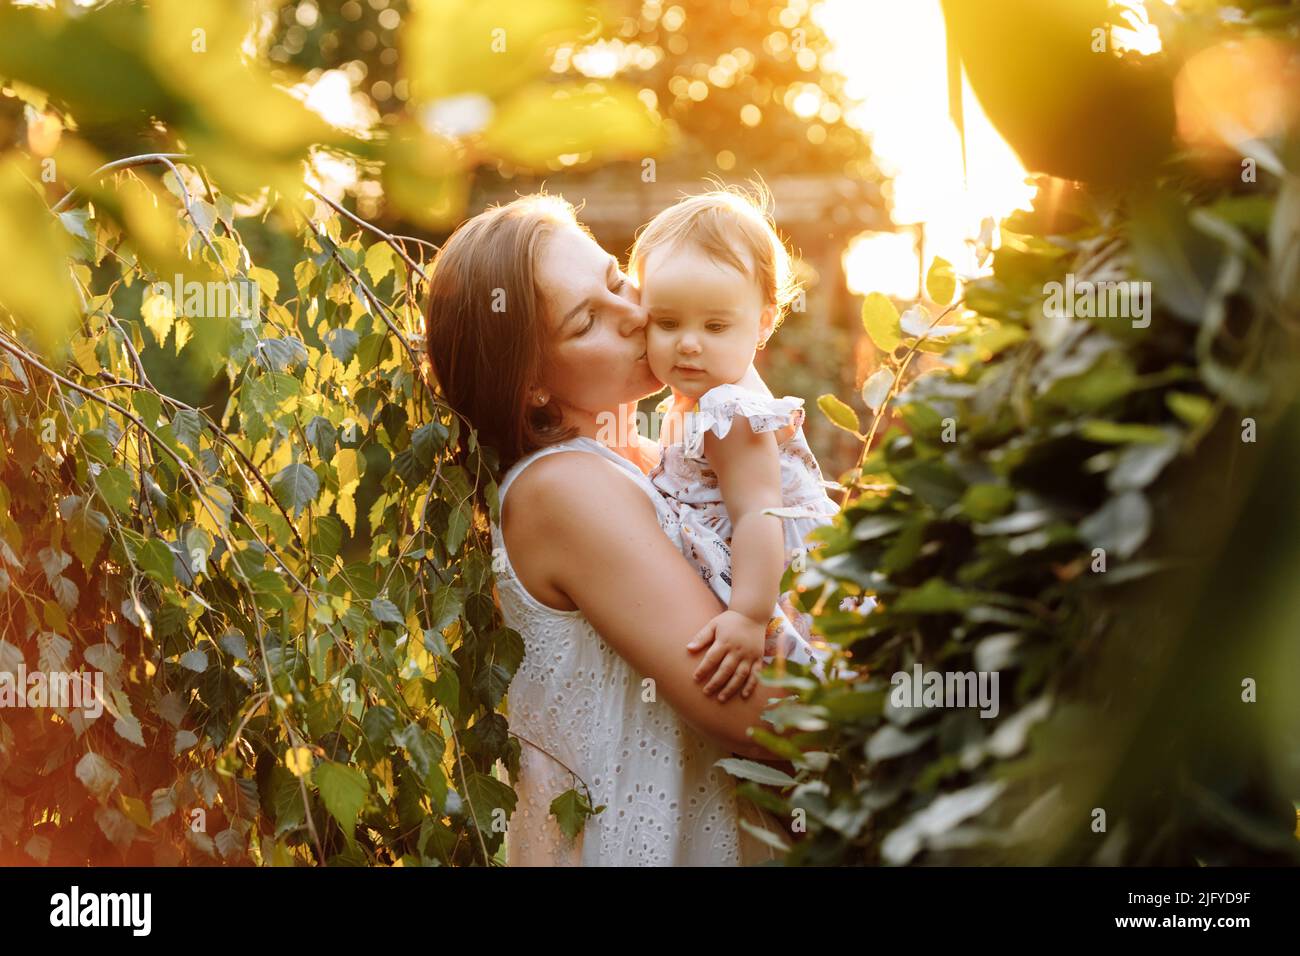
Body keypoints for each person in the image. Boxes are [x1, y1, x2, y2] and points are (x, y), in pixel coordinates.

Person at [424, 193, 792, 866]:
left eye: (619, 281)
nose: (635, 315)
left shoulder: (656, 461)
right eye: (588, 318)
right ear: (532, 386)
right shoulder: (564, 490)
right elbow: (758, 712)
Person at [629, 188, 848, 701]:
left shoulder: (732, 411)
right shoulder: (700, 398)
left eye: (715, 325)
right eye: (666, 322)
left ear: (765, 322)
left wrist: (749, 619)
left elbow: (758, 516)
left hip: (770, 584)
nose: (688, 342)